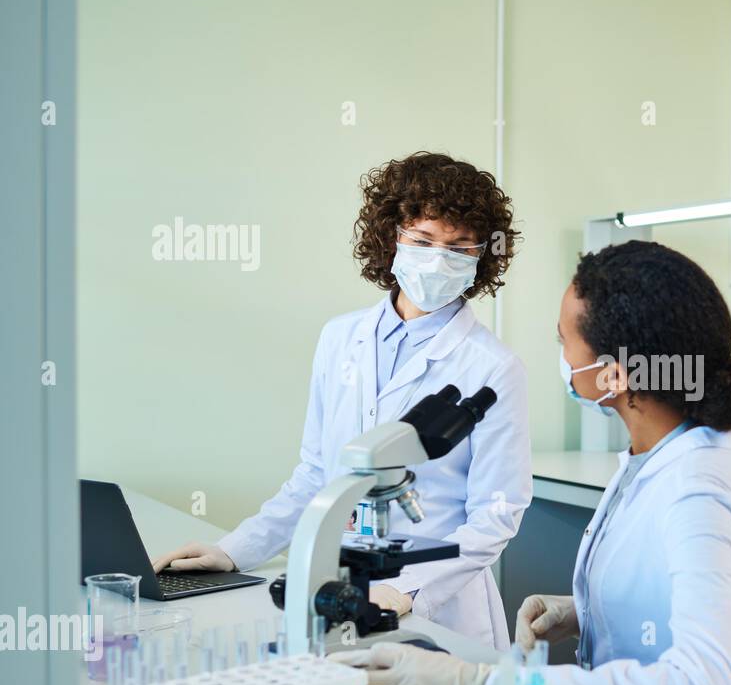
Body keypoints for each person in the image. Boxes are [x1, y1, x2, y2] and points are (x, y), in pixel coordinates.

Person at [326, 240, 731, 685]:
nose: (561, 356)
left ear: (614, 374)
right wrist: (591, 612)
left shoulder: (697, 484)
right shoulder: (655, 453)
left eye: (565, 341)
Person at [152, 152, 531, 648]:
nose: (440, 260)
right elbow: (316, 475)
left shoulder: (493, 367)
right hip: (339, 585)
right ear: (390, 238)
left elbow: (496, 513)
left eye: (459, 248)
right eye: (422, 240)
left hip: (435, 604)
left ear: (483, 255)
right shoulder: (339, 337)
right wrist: (233, 551)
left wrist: (408, 588)